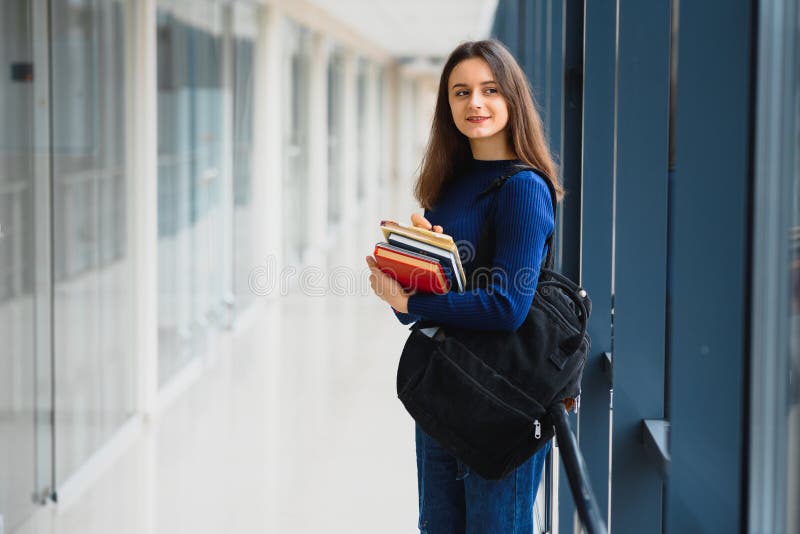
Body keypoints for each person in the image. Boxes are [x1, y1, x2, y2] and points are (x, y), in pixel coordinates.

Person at [365, 39, 563, 534]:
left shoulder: (523, 188)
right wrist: (404, 288)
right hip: (446, 390)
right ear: (447, 104)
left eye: (489, 90)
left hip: (504, 400)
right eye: (461, 92)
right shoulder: (450, 186)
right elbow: (422, 312)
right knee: (437, 527)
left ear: (512, 99)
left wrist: (415, 298)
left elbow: (507, 307)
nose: (474, 103)